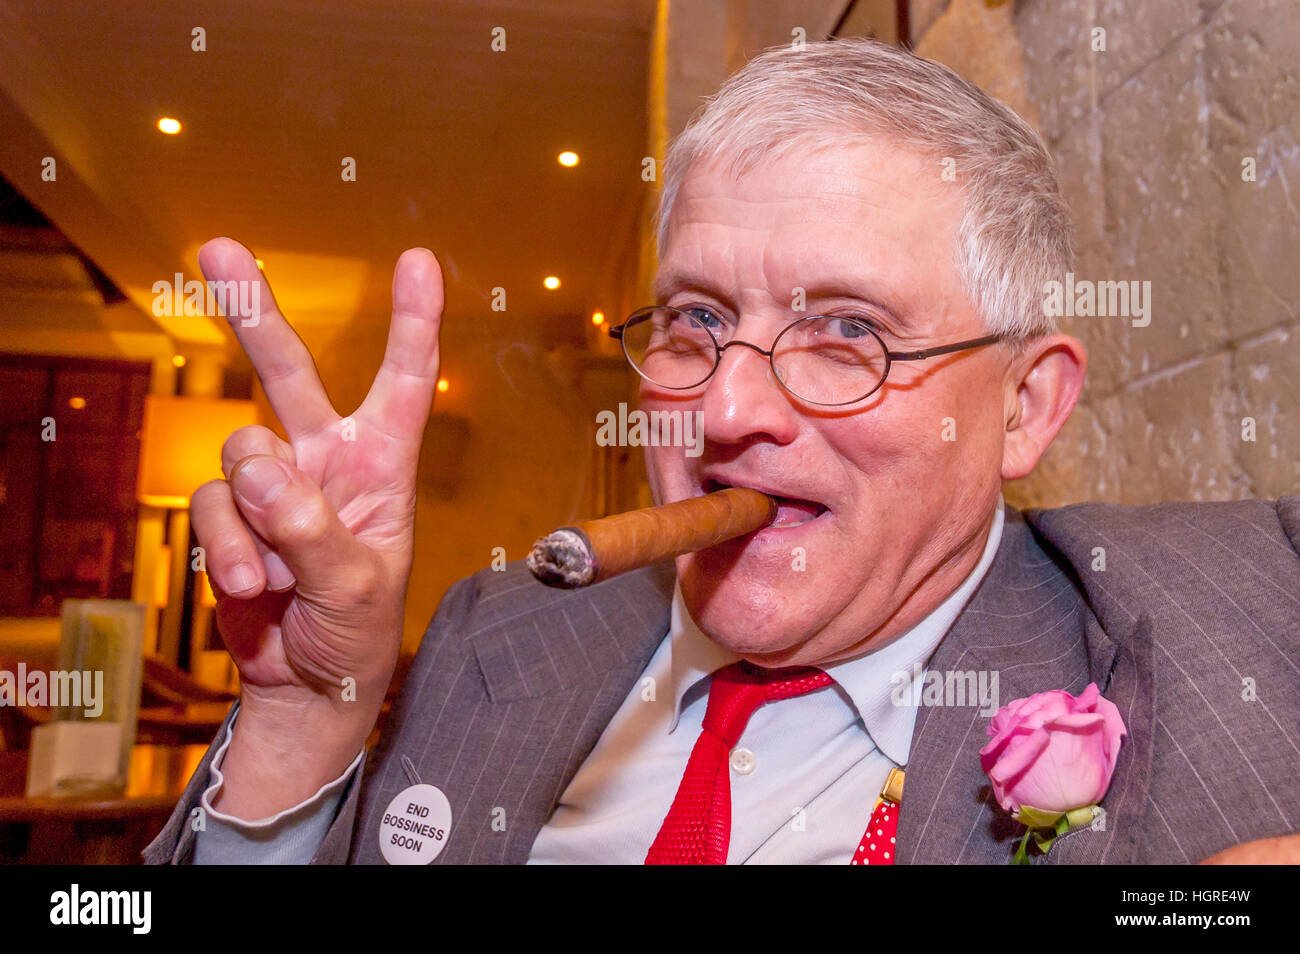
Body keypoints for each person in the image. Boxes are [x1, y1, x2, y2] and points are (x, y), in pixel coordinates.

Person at [145, 38, 1299, 865]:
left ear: (1026, 408)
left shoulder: (1247, 615)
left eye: (848, 331)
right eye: (696, 319)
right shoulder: (494, 634)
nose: (724, 408)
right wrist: (302, 722)